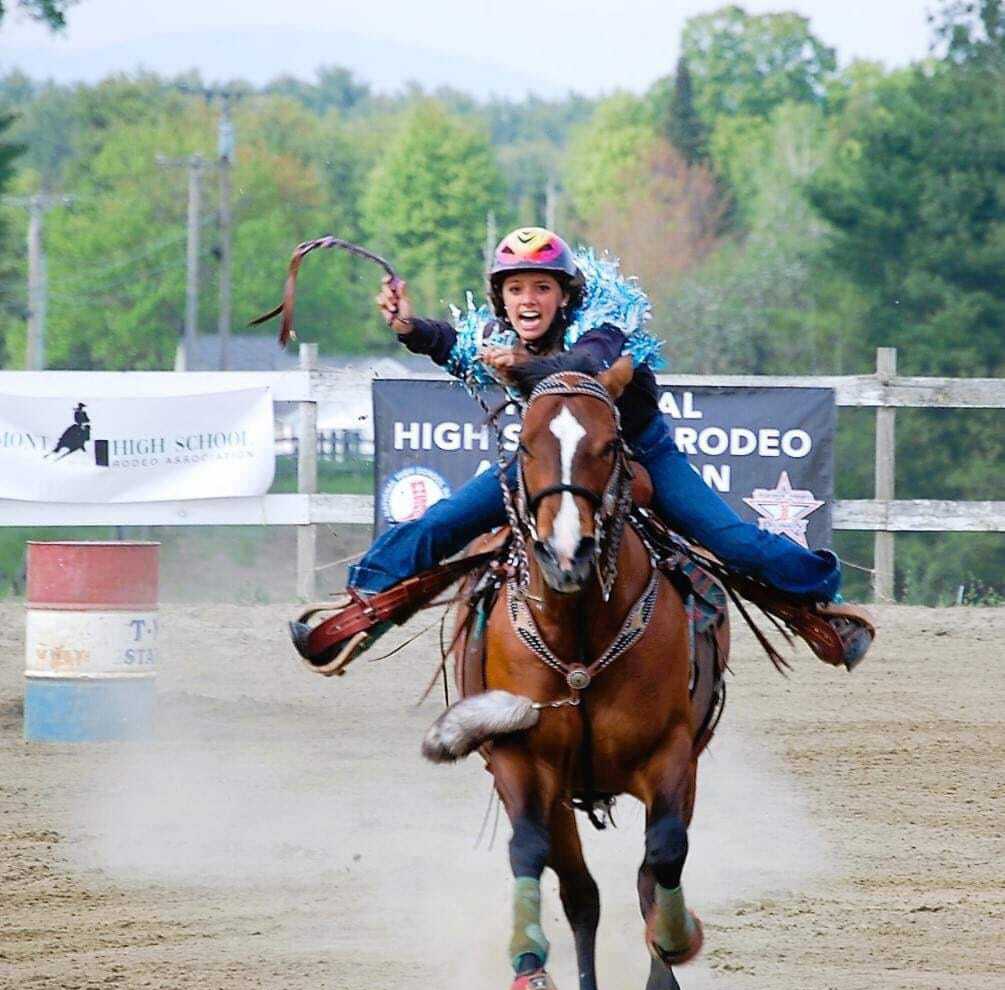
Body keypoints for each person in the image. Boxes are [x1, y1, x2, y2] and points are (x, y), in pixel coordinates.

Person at [291, 226, 872, 673]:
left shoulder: (605, 323)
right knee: (443, 521)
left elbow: (589, 367)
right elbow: (454, 343)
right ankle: (361, 607)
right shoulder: (502, 339)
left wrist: (525, 367)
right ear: (501, 297)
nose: (527, 299)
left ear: (564, 294)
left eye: (540, 286)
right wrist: (408, 327)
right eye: (515, 288)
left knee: (730, 539)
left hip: (638, 453)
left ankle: (819, 601)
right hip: (551, 460)